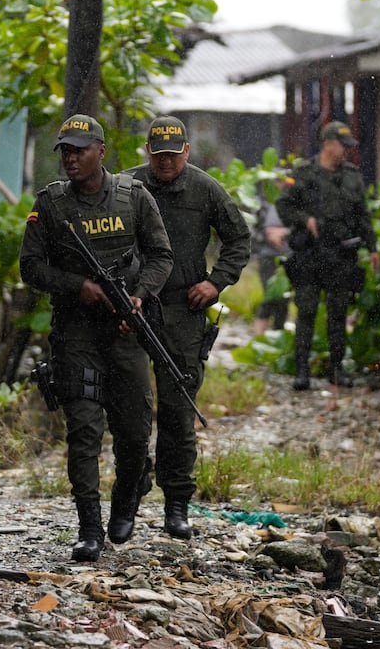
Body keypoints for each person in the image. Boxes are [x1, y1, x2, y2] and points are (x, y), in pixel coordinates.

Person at [20, 114, 174, 561]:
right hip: (76, 334)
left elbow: (161, 256)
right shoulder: (50, 205)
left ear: (100, 152)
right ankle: (90, 527)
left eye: (79, 150)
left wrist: (140, 297)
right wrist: (78, 287)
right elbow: (30, 267)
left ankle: (128, 496)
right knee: (84, 430)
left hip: (127, 332)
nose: (70, 158)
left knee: (133, 430)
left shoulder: (134, 198)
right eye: (65, 150)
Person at [127, 116, 251, 539]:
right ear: (148, 151)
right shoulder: (126, 187)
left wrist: (215, 282)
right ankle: (130, 489)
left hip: (184, 308)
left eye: (173, 154)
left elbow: (239, 238)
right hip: (134, 308)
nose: (166, 162)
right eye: (158, 154)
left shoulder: (204, 188)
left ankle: (176, 503)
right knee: (129, 406)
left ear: (186, 151)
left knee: (178, 410)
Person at [276, 120, 380, 391]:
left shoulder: (352, 176)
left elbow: (363, 216)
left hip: (341, 255)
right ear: (328, 144)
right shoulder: (303, 173)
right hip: (310, 255)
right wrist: (305, 218)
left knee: (338, 314)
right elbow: (284, 206)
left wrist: (373, 247)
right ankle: (302, 371)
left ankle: (336, 369)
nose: (345, 151)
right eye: (342, 146)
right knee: (306, 312)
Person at [252, 190, 290, 336]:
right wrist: (268, 234)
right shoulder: (261, 202)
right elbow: (252, 228)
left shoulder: (293, 199)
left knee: (284, 298)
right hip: (266, 255)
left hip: (288, 255)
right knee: (270, 295)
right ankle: (259, 338)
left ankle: (278, 335)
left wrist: (284, 232)